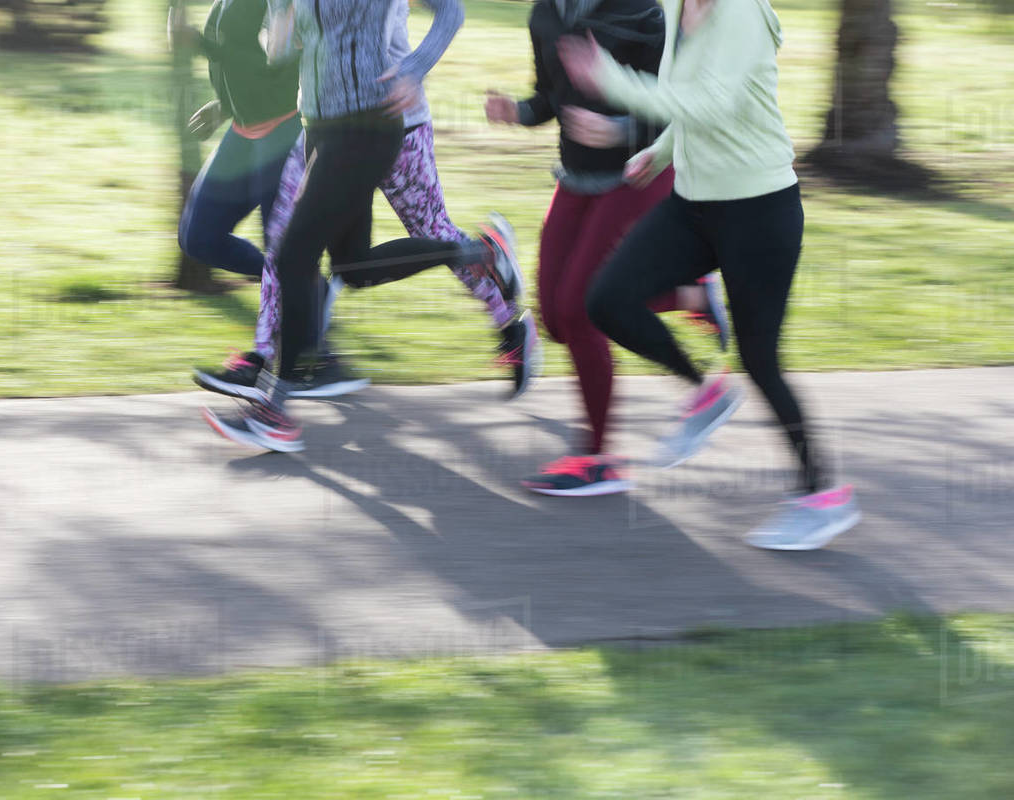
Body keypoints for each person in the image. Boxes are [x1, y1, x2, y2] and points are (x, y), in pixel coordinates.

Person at [558, 0, 860, 548]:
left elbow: (716, 104)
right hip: (693, 203)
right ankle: (707, 391)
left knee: (761, 360)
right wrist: (661, 148)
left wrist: (612, 80)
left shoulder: (741, 13)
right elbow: (687, 98)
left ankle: (821, 496)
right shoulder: (678, 7)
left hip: (759, 208)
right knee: (607, 300)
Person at [203, 0, 526, 452]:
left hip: (368, 125)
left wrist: (414, 67)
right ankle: (476, 252)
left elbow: (450, 11)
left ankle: (276, 409)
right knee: (354, 270)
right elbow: (291, 48)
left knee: (294, 254)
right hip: (318, 124)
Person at [486, 0, 727, 497]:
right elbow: (550, 96)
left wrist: (619, 130)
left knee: (580, 311)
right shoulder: (545, 13)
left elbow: (682, 108)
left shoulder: (642, 13)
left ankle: (599, 458)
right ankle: (688, 293)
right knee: (554, 316)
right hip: (576, 178)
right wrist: (518, 111)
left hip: (639, 173)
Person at [174, 0, 303, 280]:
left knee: (279, 247)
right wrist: (226, 105)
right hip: (243, 132)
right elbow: (242, 51)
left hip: (279, 136)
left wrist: (199, 44)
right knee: (198, 237)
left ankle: (300, 294)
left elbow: (277, 61)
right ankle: (296, 285)